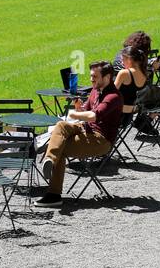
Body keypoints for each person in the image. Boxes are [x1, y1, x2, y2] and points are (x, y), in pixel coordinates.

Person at [36, 61, 122, 205]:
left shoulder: (113, 97)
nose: (91, 79)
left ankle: (54, 194)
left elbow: (94, 116)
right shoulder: (95, 90)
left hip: (101, 140)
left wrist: (74, 115)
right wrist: (78, 107)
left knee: (59, 147)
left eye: (95, 76)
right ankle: (49, 160)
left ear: (107, 77)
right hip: (86, 129)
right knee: (61, 125)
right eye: (91, 76)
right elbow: (85, 110)